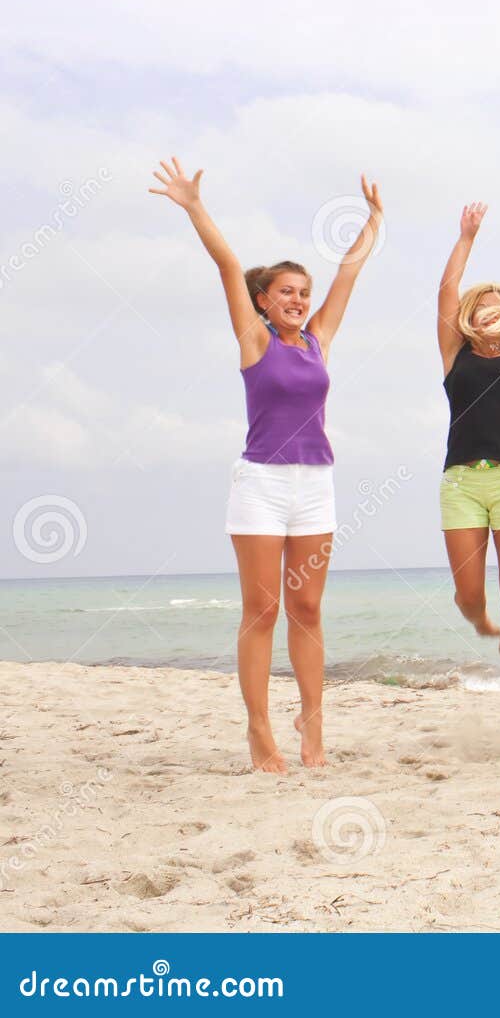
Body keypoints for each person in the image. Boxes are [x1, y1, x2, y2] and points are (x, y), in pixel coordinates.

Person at [149, 157, 383, 772]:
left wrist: (374, 219)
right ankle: (258, 731)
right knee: (263, 610)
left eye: (304, 294)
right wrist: (195, 206)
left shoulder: (317, 341)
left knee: (307, 610)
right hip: (260, 485)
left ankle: (313, 723)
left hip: (316, 485)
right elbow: (228, 264)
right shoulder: (254, 341)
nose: (299, 302)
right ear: (263, 300)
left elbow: (349, 274)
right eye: (287, 293)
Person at [436, 201, 500, 655]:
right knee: (468, 596)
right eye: (484, 308)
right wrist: (466, 236)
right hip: (460, 483)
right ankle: (480, 620)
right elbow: (447, 287)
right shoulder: (453, 355)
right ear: (470, 316)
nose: (492, 314)